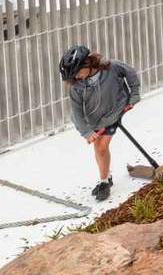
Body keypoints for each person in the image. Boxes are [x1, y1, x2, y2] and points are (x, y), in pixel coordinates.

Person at [60, 46, 141, 201]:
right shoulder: (76, 86)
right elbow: (76, 112)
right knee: (99, 148)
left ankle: (104, 182)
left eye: (77, 73)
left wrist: (134, 94)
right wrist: (86, 132)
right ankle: (106, 176)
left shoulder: (111, 67)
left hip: (114, 111)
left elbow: (130, 73)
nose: (76, 78)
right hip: (94, 121)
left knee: (102, 147)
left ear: (87, 64)